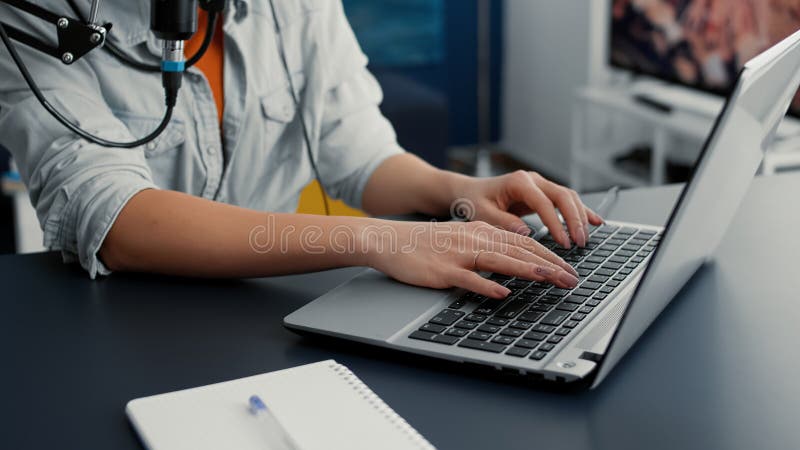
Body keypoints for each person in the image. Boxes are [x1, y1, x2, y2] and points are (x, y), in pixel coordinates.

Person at [0, 0, 602, 300]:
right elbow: (116, 218)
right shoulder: (35, 18)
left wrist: (458, 193)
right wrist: (375, 239)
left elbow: (355, 149)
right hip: (123, 321)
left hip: (274, 308)